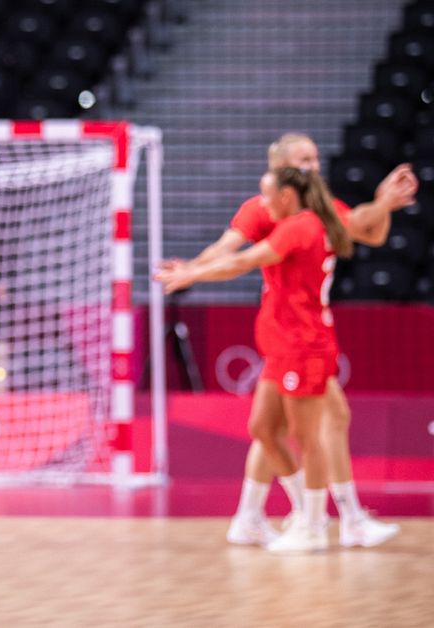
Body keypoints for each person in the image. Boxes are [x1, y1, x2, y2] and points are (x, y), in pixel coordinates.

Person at [165, 134, 415, 548]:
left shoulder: (310, 219)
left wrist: (383, 205)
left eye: (315, 159)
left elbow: (364, 228)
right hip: (286, 335)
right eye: (303, 160)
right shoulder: (270, 210)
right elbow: (230, 249)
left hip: (302, 337)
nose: (313, 166)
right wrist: (190, 269)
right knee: (272, 428)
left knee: (306, 426)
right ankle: (301, 516)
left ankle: (313, 518)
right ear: (279, 171)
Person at [159, 166, 360, 551]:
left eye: (267, 196)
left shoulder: (299, 226)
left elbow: (242, 262)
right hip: (282, 347)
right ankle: (305, 513)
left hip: (304, 346)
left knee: (306, 438)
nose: (263, 204)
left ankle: (313, 526)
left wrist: (193, 274)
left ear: (287, 196)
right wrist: (194, 268)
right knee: (264, 429)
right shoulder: (297, 224)